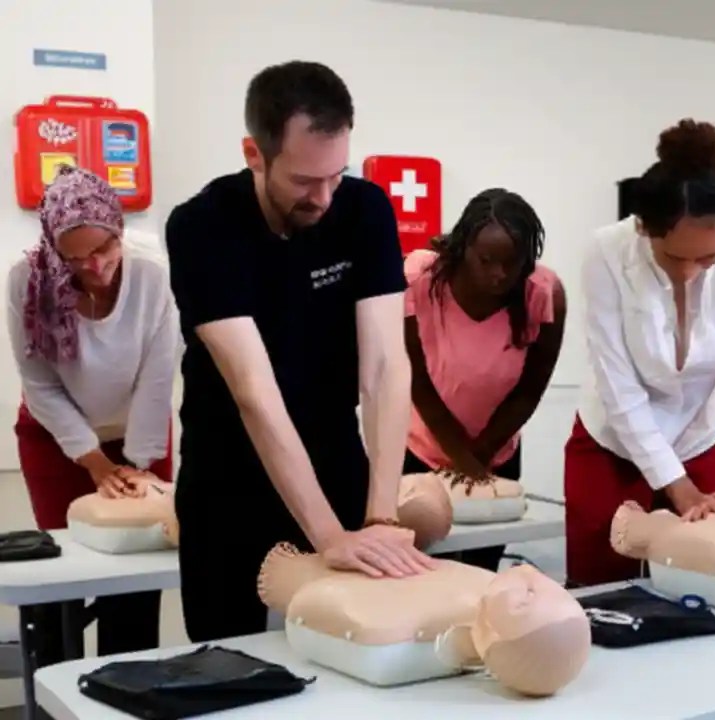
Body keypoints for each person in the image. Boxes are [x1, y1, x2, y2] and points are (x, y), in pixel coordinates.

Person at [164, 60, 433, 643]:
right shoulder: (202, 227)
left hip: (335, 463)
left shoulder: (365, 210)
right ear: (254, 154)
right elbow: (254, 393)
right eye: (305, 182)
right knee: (227, 663)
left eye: (337, 174)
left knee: (350, 650)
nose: (325, 196)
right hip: (229, 476)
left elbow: (386, 369)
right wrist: (327, 536)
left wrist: (379, 517)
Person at [563, 118, 715, 587]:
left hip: (701, 435)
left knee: (712, 575)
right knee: (605, 587)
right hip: (615, 440)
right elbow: (617, 381)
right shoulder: (605, 252)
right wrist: (677, 488)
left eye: (707, 259)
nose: (688, 273)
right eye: (673, 258)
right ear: (644, 229)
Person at [6, 165, 175, 660]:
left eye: (102, 250)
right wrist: (96, 462)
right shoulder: (26, 282)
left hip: (138, 434)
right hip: (56, 440)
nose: (93, 267)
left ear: (117, 230)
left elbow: (157, 375)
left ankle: (128, 687)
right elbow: (38, 381)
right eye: (74, 258)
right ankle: (56, 688)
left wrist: (137, 467)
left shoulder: (150, 277)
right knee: (59, 572)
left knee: (136, 573)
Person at [403, 188, 566, 570]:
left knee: (479, 572)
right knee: (417, 571)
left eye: (513, 263)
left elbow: (530, 390)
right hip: (419, 451)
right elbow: (415, 380)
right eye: (487, 260)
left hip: (496, 453)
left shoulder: (543, 293)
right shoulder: (419, 279)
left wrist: (479, 461)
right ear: (463, 248)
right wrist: (461, 461)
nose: (499, 274)